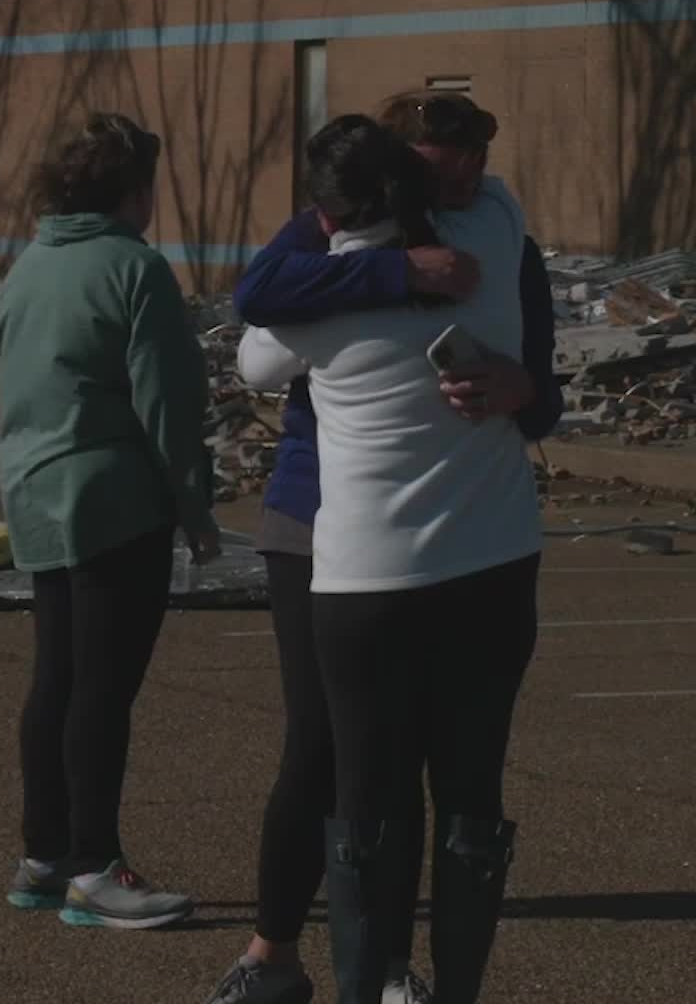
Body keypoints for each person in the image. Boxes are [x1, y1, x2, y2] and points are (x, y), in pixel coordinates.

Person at [205, 99, 559, 1004]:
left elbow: (254, 338)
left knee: (369, 797)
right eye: (443, 167)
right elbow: (278, 282)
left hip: (371, 563)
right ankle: (351, 969)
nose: (463, 184)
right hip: (453, 550)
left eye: (473, 164)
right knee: (427, 783)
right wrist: (403, 271)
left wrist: (519, 386)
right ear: (405, 172)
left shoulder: (464, 239)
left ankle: (362, 978)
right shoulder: (488, 235)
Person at [0, 112, 221, 931]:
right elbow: (167, 404)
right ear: (133, 190)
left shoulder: (27, 267)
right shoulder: (136, 269)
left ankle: (44, 854)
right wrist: (195, 508)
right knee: (104, 687)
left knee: (56, 675)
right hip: (116, 498)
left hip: (36, 490)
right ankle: (96, 864)